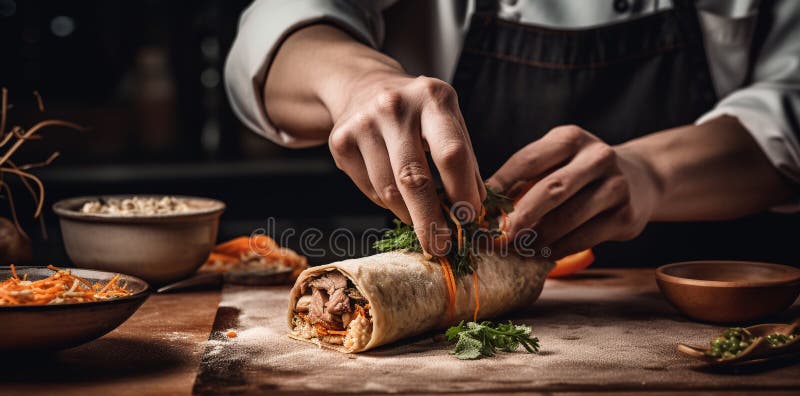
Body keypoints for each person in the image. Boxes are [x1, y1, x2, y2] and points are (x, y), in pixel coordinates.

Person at [224, 0, 799, 265]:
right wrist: (359, 84)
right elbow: (272, 31)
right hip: (446, 266)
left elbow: (790, 105)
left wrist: (649, 174)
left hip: (721, 287)